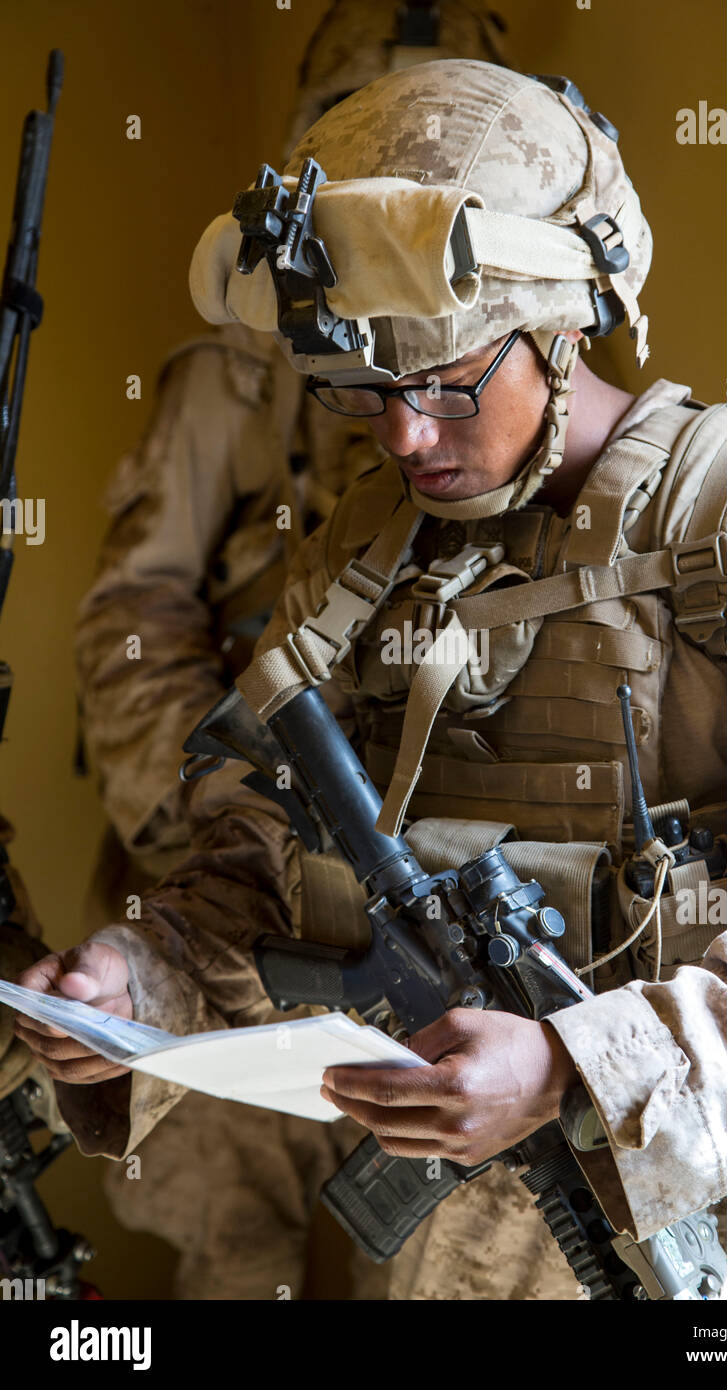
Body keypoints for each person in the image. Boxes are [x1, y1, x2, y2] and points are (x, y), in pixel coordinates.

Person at [18, 60, 727, 1301]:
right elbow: (263, 874)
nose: (403, 436)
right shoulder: (365, 554)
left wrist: (573, 1069)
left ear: (562, 323)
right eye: (366, 389)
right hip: (455, 1245)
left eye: (444, 383)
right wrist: (133, 983)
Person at [73, 6, 511, 1300]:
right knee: (236, 1241)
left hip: (429, 897)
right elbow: (132, 616)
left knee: (433, 1232)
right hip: (230, 871)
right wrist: (207, 825)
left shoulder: (509, 374)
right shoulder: (240, 380)